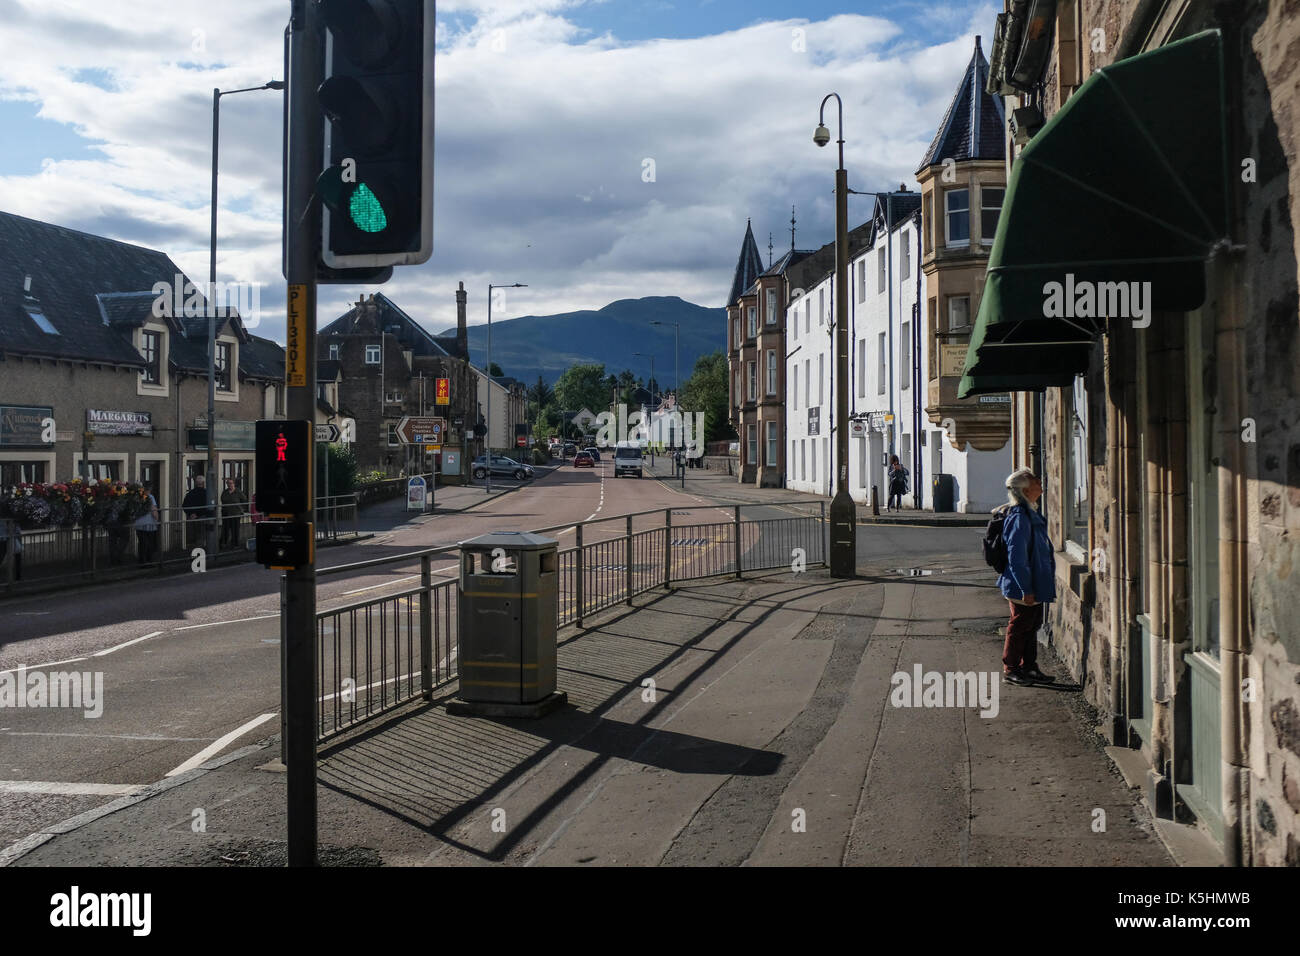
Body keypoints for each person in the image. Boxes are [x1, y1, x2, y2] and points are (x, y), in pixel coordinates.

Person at [997, 468, 1056, 685]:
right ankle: (1011, 669)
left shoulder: (1030, 512)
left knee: (1030, 626)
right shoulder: (1020, 517)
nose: (1040, 482)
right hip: (1023, 585)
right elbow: (1017, 557)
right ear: (1024, 488)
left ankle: (1028, 667)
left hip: (1034, 582)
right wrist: (1025, 588)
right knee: (1020, 626)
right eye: (1034, 480)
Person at [182, 475, 213, 547]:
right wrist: (199, 514)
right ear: (204, 483)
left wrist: (191, 514)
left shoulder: (190, 493)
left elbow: (184, 505)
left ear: (196, 483)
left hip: (193, 518)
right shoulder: (207, 493)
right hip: (203, 517)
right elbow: (209, 507)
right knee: (202, 535)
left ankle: (196, 550)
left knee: (195, 535)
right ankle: (202, 551)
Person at [219, 477, 247, 550]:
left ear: (234, 484)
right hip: (226, 513)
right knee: (225, 529)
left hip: (236, 514)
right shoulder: (225, 492)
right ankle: (223, 543)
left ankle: (235, 544)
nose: (229, 485)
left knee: (235, 529)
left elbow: (244, 499)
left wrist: (241, 509)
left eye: (231, 483)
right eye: (228, 483)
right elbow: (222, 500)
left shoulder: (238, 491)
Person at [135, 485, 160, 564]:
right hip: (149, 524)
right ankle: (148, 561)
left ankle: (142, 561)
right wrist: (157, 518)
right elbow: (153, 509)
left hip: (138, 524)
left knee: (142, 543)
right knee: (149, 543)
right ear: (149, 490)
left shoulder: (136, 497)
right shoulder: (150, 497)